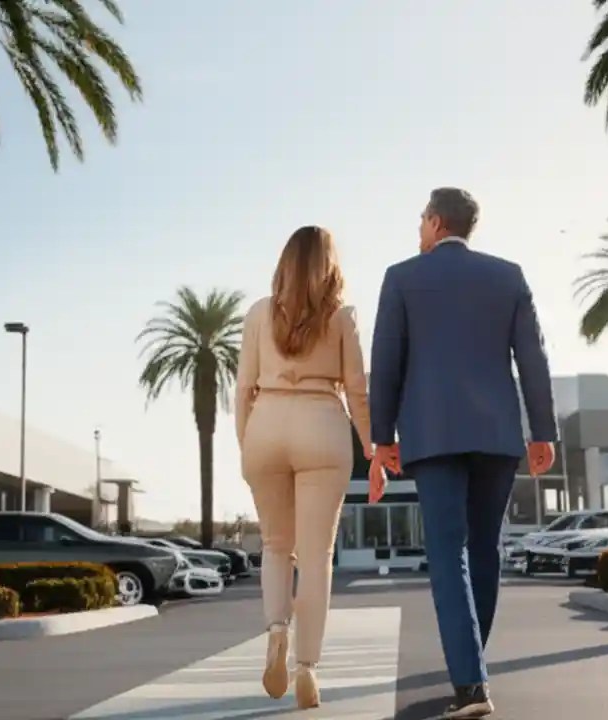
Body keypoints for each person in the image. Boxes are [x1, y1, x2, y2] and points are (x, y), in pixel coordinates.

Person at [368, 188, 557, 719]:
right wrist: (543, 431)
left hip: (432, 436)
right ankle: (471, 667)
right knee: (484, 550)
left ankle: (470, 684)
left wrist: (382, 438)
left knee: (449, 552)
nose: (418, 231)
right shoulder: (508, 275)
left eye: (420, 221)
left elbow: (386, 363)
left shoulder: (401, 277)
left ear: (434, 222)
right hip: (497, 435)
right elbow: (533, 358)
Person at [234, 225, 371, 710]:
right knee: (316, 557)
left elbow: (242, 389)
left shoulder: (256, 314)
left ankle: (276, 631)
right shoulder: (342, 317)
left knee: (276, 546)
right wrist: (374, 451)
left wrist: (246, 445)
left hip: (265, 426)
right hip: (321, 425)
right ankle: (307, 668)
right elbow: (357, 389)